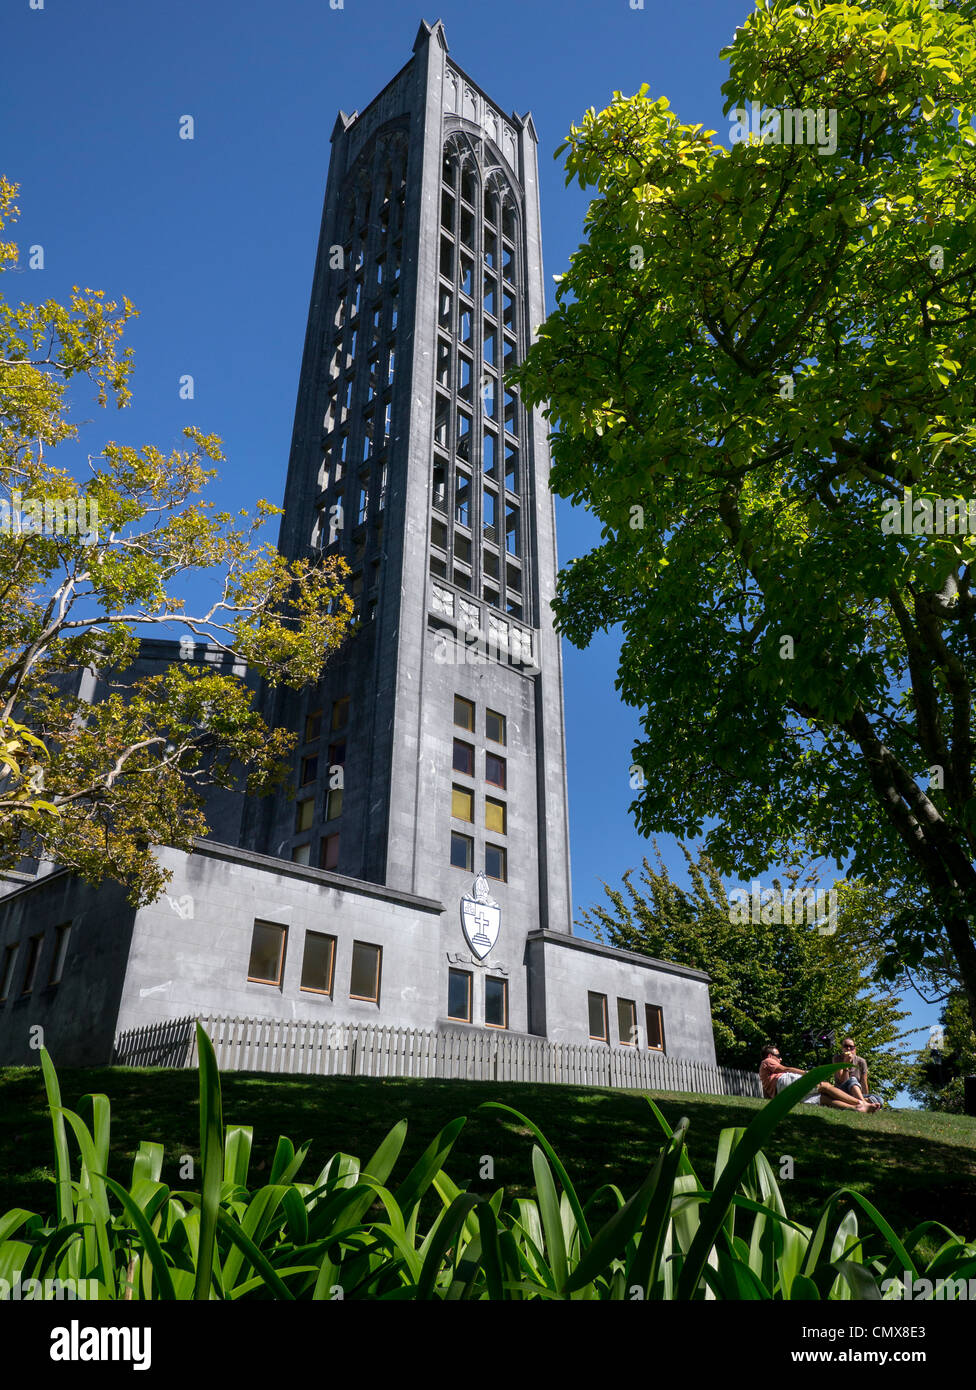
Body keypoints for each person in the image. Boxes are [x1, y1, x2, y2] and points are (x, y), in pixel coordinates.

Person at [759, 1044, 876, 1111]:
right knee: (824, 1085)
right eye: (778, 1056)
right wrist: (807, 1073)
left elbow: (766, 1092)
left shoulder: (764, 1074)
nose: (780, 1059)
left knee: (823, 1099)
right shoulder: (767, 1061)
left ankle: (856, 1108)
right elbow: (785, 1069)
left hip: (783, 1094)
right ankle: (861, 1102)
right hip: (784, 1082)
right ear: (770, 1055)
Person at [833, 1036, 882, 1110]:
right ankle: (864, 1103)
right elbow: (842, 1081)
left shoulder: (861, 1062)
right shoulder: (837, 1059)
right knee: (852, 1079)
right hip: (841, 1091)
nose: (848, 1049)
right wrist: (846, 1063)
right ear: (842, 1048)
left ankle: (857, 1101)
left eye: (851, 1047)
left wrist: (866, 1095)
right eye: (846, 1046)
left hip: (855, 1093)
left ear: (855, 1049)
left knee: (879, 1099)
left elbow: (864, 1082)